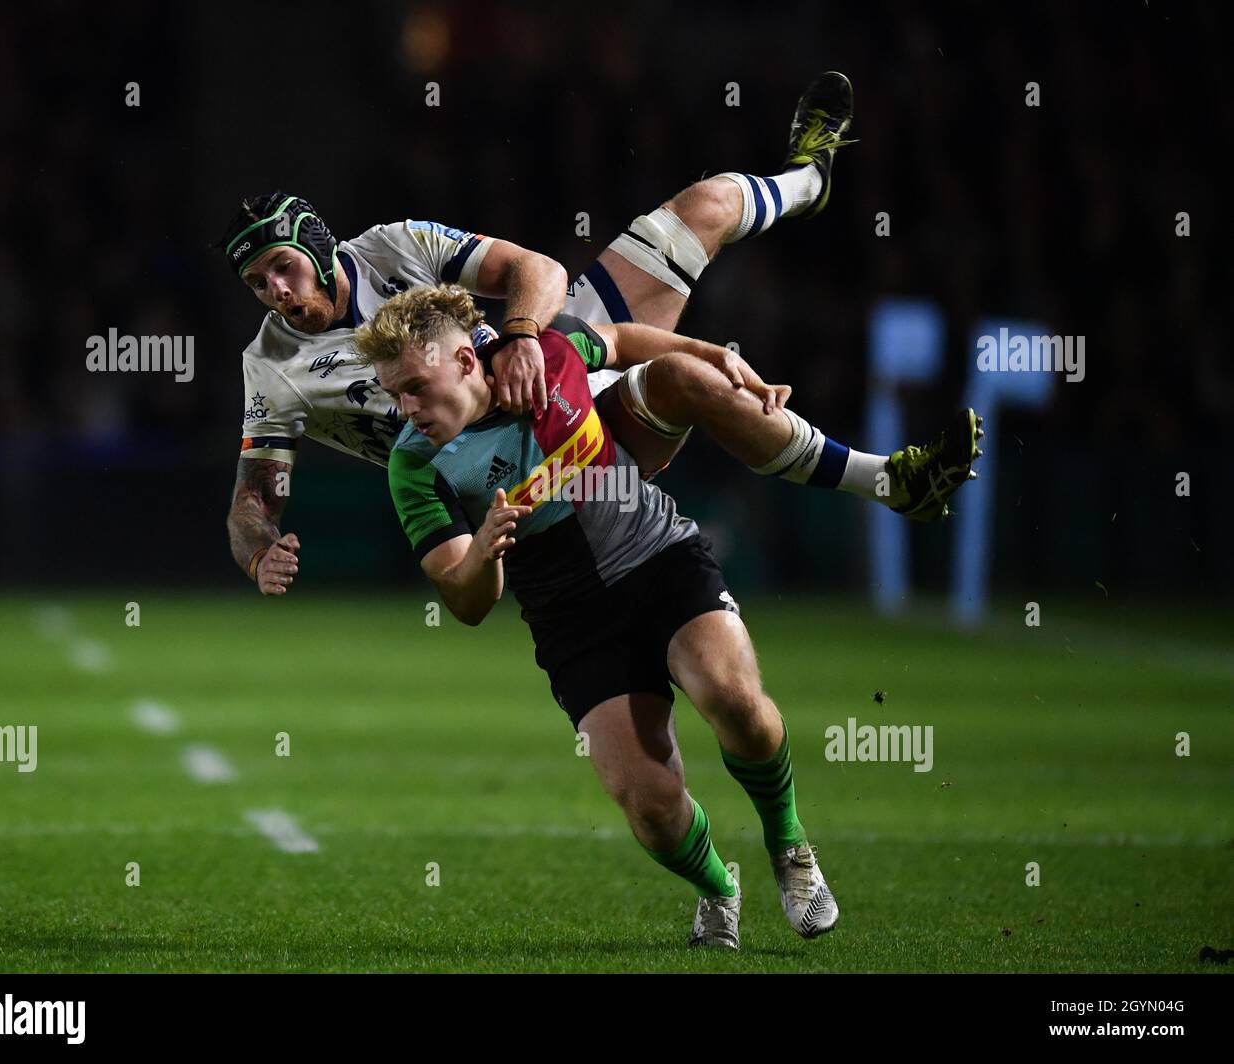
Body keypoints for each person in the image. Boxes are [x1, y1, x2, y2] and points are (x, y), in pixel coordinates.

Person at [223, 74, 900, 594]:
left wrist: (518, 336)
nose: (277, 291)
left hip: (551, 374)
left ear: (316, 245)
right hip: (512, 477)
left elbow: (537, 271)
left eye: (282, 267)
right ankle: (879, 479)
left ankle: (810, 179)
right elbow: (252, 499)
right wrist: (259, 547)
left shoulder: (396, 247)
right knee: (683, 383)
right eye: (258, 283)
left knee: (708, 205)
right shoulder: (273, 366)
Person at [356, 284, 870, 947]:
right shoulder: (413, 463)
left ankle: (790, 845)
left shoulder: (540, 356)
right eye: (394, 392)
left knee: (734, 699)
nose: (406, 408)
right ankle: (719, 887)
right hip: (570, 619)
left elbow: (621, 339)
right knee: (651, 805)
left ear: (465, 359)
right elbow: (466, 602)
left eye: (416, 387)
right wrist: (482, 553)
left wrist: (718, 355)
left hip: (658, 558)